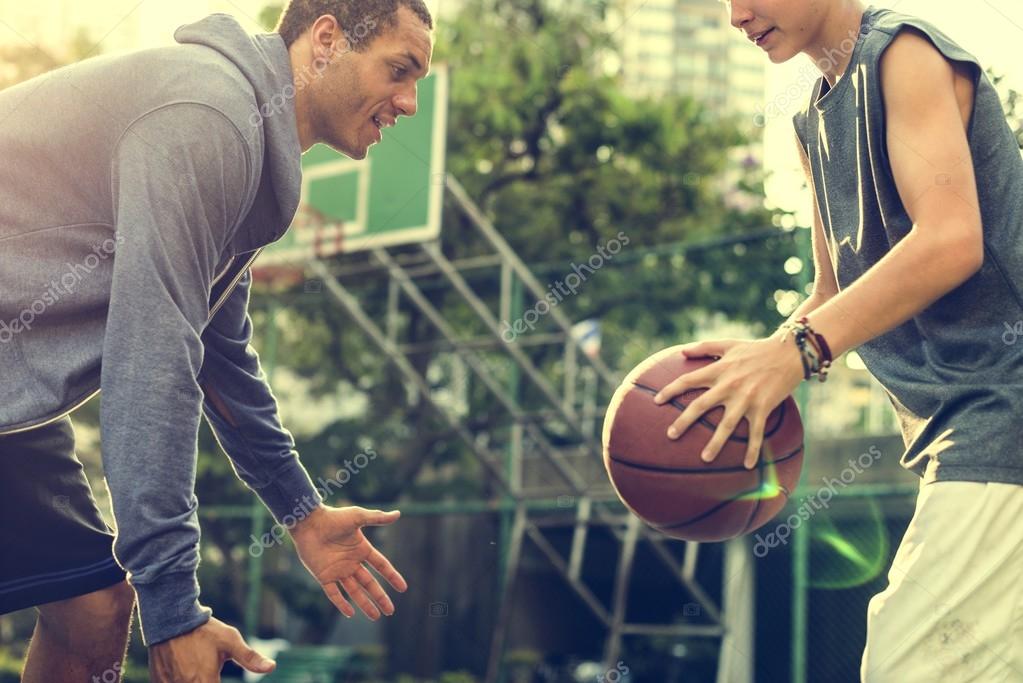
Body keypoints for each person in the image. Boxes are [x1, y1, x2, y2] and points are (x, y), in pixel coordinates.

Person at [0, 1, 434, 680]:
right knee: (107, 601)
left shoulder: (245, 142)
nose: (408, 101)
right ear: (326, 41)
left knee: (92, 606)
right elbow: (154, 359)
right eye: (399, 70)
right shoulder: (209, 120)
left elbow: (219, 354)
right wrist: (173, 605)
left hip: (10, 393)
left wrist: (301, 510)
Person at [655, 1, 1023, 680]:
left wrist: (794, 352)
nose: (736, 15)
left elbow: (949, 239)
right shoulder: (809, 118)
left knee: (910, 664)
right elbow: (828, 296)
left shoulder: (903, 54)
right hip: (960, 434)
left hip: (1002, 413)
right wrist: (752, 363)